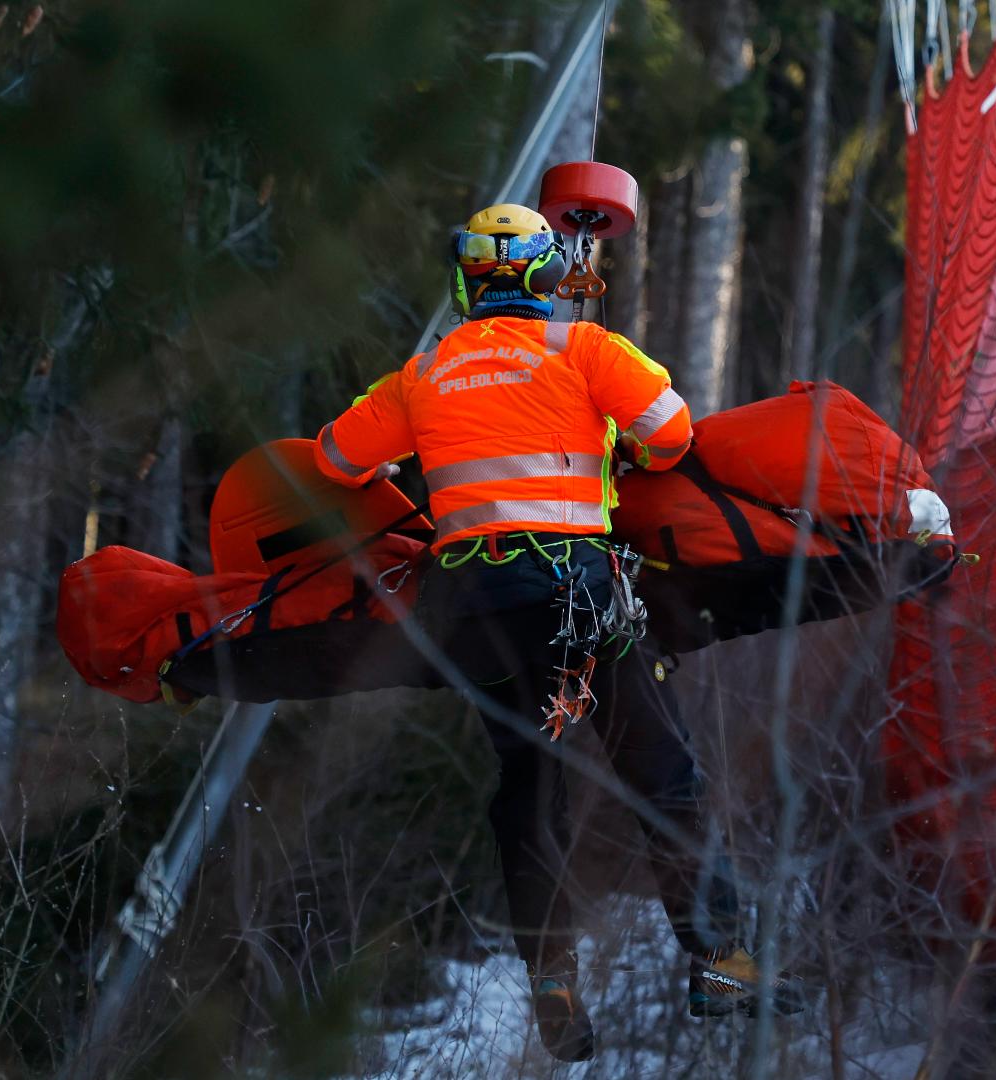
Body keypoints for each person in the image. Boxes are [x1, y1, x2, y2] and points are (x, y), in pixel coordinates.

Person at [313, 203, 802, 1062]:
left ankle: (551, 981)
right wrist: (608, 444)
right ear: (544, 277)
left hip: (474, 612)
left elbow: (336, 459)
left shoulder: (422, 373)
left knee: (529, 790)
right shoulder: (583, 349)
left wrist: (413, 448)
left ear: (466, 281)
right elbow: (672, 434)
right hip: (578, 596)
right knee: (663, 775)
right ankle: (722, 963)